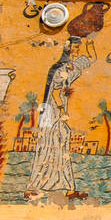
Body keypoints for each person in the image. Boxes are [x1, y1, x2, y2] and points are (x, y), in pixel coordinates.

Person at [26, 39, 94, 201]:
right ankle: (33, 187)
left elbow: (89, 61)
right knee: (49, 147)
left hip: (57, 115)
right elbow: (56, 92)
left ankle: (69, 188)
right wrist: (63, 112)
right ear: (68, 50)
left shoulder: (69, 68)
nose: (77, 52)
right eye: (75, 49)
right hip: (53, 114)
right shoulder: (59, 70)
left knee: (62, 145)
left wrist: (90, 47)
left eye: (79, 49)